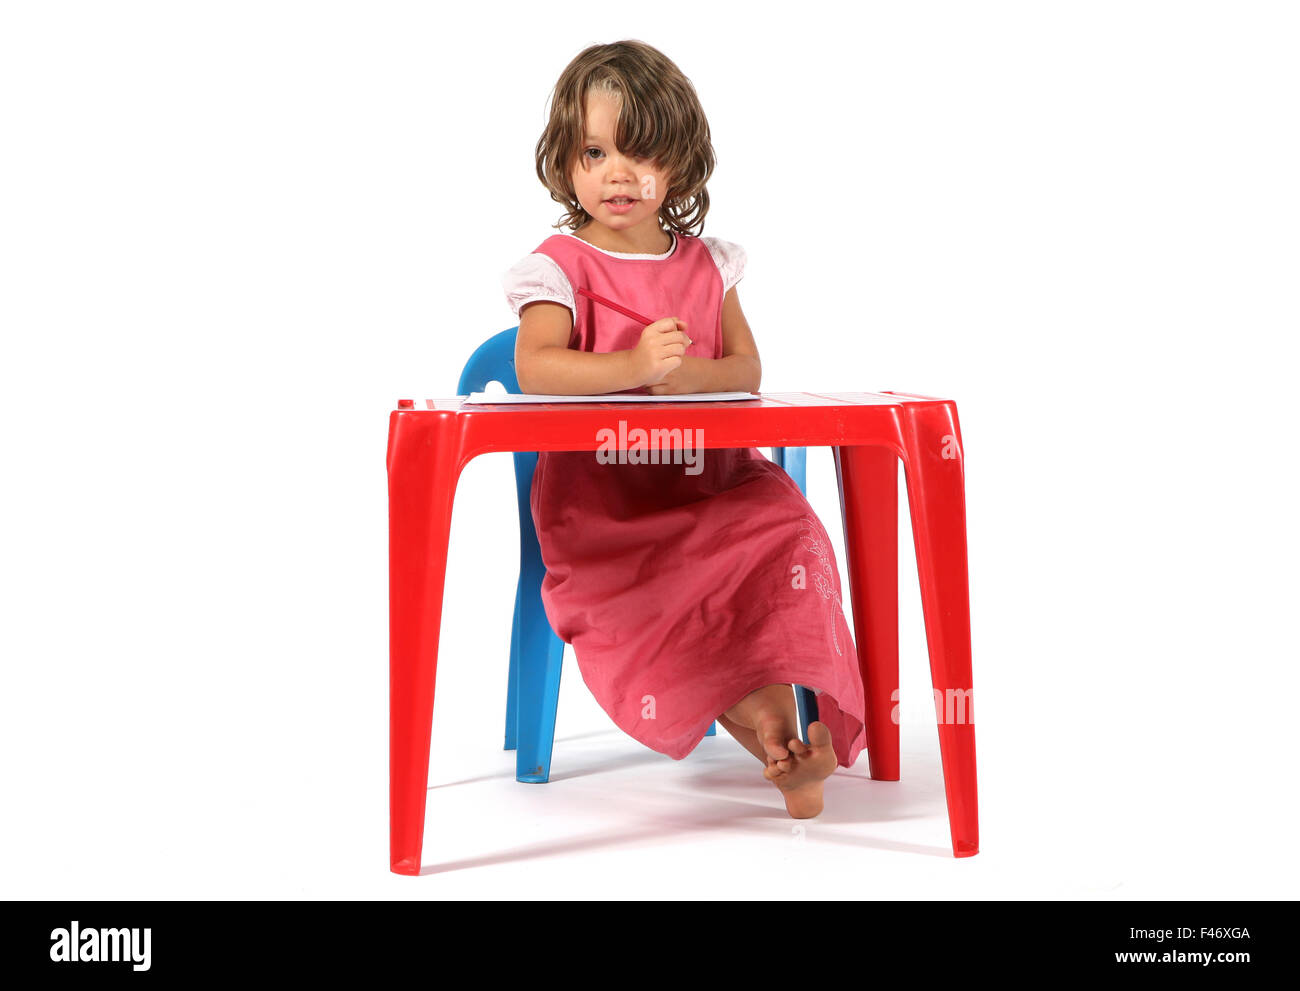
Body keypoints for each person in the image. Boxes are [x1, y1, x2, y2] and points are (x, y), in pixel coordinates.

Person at [500, 40, 865, 818]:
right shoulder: (559, 266)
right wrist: (630, 363)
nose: (617, 173)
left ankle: (790, 735)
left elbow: (746, 371)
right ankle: (773, 735)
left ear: (681, 162)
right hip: (610, 513)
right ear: (565, 160)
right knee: (676, 599)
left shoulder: (707, 265)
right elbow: (537, 368)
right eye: (594, 151)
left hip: (716, 486)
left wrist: (682, 376)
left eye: (640, 152)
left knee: (788, 537)